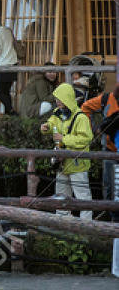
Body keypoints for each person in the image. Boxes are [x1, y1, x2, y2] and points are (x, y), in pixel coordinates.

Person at [42, 81, 94, 219]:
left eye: (60, 98)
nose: (57, 101)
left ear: (67, 98)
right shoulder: (57, 113)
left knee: (83, 198)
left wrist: (63, 139)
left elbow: (85, 139)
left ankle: (86, 228)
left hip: (77, 165)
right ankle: (62, 228)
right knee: (60, 197)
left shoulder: (81, 117)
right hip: (62, 163)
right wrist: (46, 126)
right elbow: (52, 122)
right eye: (57, 99)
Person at [0, 14, 19, 115]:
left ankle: (11, 111)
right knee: (6, 91)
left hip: (4, 64)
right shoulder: (7, 30)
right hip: (14, 63)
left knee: (0, 91)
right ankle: (8, 114)